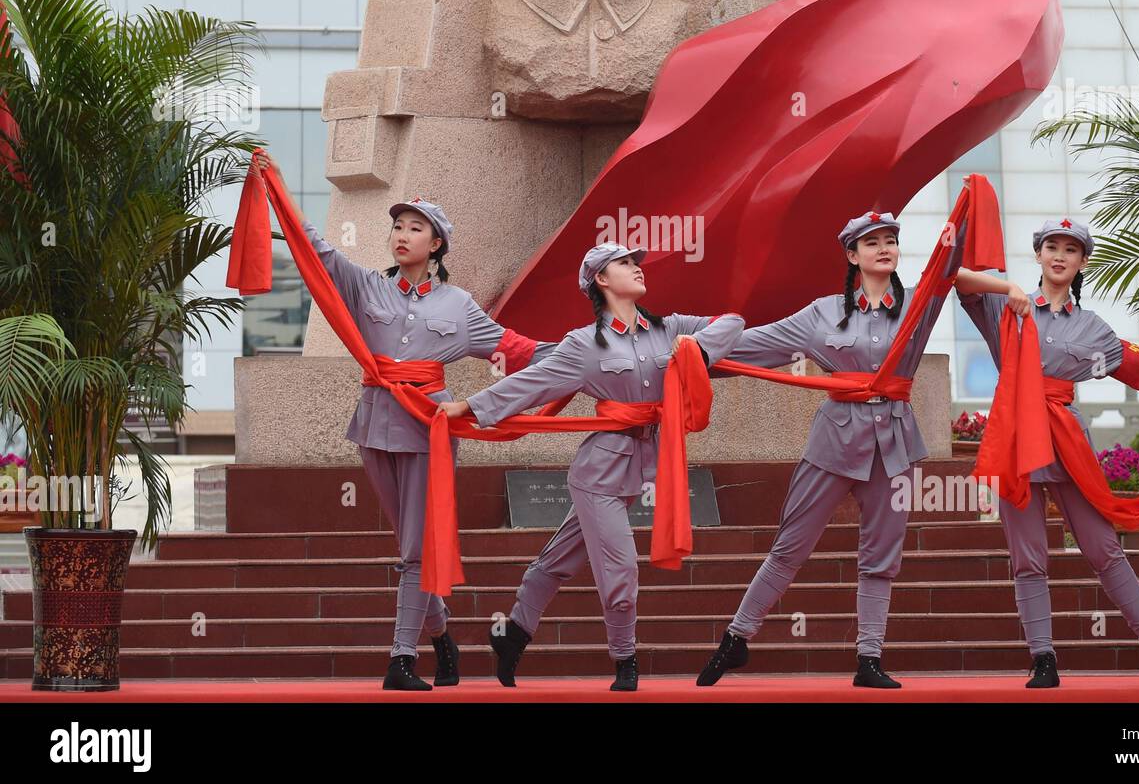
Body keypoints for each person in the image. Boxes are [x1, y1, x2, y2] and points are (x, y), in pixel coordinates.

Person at [248, 151, 555, 691]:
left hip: (429, 430)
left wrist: (587, 353)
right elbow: (317, 251)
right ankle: (442, 637)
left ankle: (401, 660)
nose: (402, 235)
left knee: (415, 550)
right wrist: (274, 188)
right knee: (409, 547)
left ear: (436, 245)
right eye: (397, 226)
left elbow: (518, 349)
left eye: (415, 228)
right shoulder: (367, 286)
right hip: (373, 424)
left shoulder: (459, 305)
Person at [441, 241, 743, 691]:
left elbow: (733, 322)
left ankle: (513, 632)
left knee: (556, 563)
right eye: (625, 263)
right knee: (621, 569)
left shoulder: (670, 328)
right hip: (599, 473)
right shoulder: (583, 345)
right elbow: (530, 384)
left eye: (636, 262)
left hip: (642, 464)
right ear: (601, 279)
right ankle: (625, 661)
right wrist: (467, 407)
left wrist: (694, 349)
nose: (637, 268)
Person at [696, 211, 961, 688]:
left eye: (890, 240)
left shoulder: (918, 305)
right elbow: (754, 345)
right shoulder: (822, 313)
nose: (884, 248)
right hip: (835, 441)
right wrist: (692, 354)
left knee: (881, 556)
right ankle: (736, 639)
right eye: (872, 242)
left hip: (894, 443)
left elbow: (951, 268)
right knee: (790, 546)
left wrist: (991, 259)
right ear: (852, 255)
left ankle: (869, 660)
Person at [954, 216, 1139, 688]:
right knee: (1028, 558)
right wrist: (1007, 287)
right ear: (1039, 255)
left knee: (1104, 548)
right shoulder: (1005, 305)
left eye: (1071, 249)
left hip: (1066, 443)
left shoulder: (1092, 329)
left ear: (1083, 262)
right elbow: (953, 275)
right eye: (1052, 247)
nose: (1060, 256)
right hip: (1017, 441)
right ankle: (1043, 657)